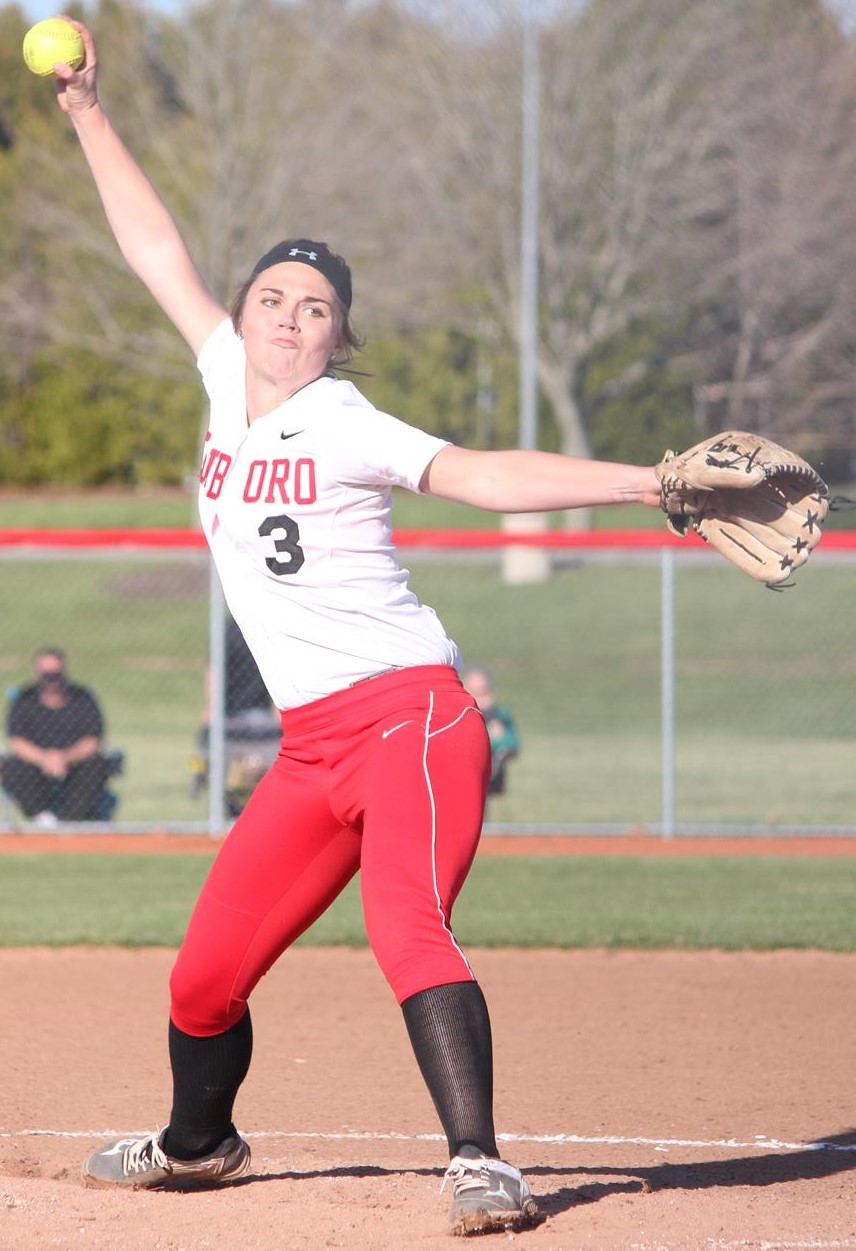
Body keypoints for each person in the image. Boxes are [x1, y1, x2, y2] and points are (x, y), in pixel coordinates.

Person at [51, 21, 662, 1235]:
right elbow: (155, 248)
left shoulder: (351, 421)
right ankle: (199, 1143)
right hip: (310, 747)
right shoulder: (225, 376)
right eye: (273, 296)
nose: (288, 317)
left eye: (314, 306)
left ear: (338, 335)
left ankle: (482, 1164)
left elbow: (485, 475)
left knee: (404, 928)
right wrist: (87, 115)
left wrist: (649, 483)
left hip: (413, 719)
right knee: (203, 976)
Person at [1, 647, 120, 825]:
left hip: (75, 761)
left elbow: (92, 740)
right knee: (11, 766)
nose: (51, 681)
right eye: (46, 675)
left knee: (97, 764)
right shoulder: (24, 699)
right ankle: (42, 818)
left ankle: (70, 820)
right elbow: (17, 741)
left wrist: (64, 758)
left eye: (55, 675)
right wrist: (44, 759)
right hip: (35, 763)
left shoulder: (83, 698)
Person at [191, 613, 281, 816]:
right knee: (225, 766)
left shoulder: (255, 626)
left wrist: (211, 705)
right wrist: (212, 705)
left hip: (253, 716)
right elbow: (213, 667)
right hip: (233, 715)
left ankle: (234, 808)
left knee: (244, 774)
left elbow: (211, 669)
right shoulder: (239, 628)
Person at [462, 667, 520, 796]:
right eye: (473, 692)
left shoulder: (499, 716)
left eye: (482, 693)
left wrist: (490, 717)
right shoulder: (458, 717)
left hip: (490, 779)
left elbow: (511, 744)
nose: (477, 698)